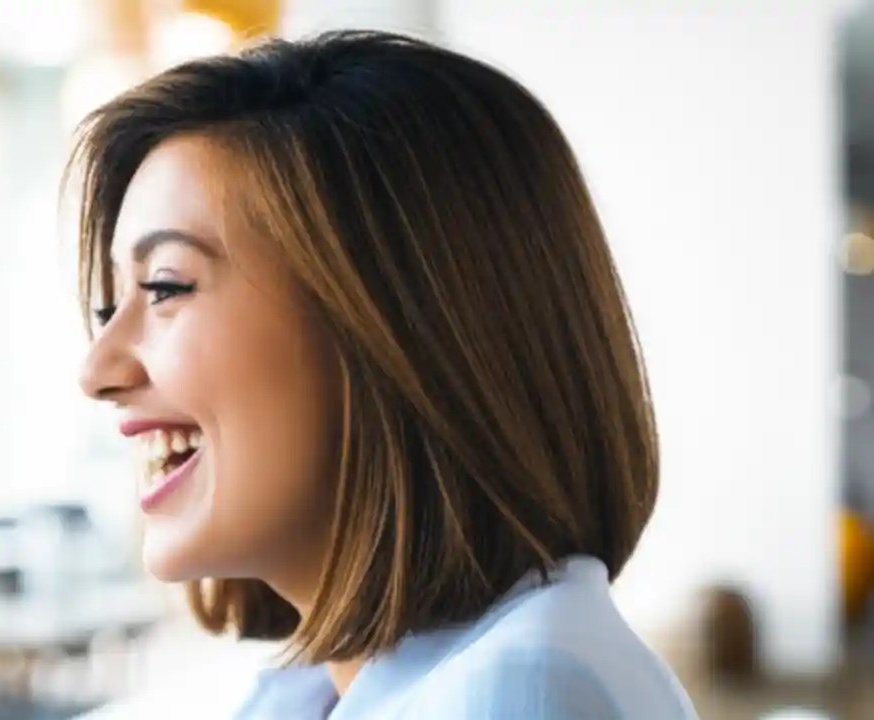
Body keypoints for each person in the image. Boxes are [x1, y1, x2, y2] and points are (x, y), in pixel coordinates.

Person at [71, 30, 697, 719]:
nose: (97, 370)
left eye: (165, 287)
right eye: (108, 305)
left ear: (399, 323)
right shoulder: (345, 691)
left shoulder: (520, 697)